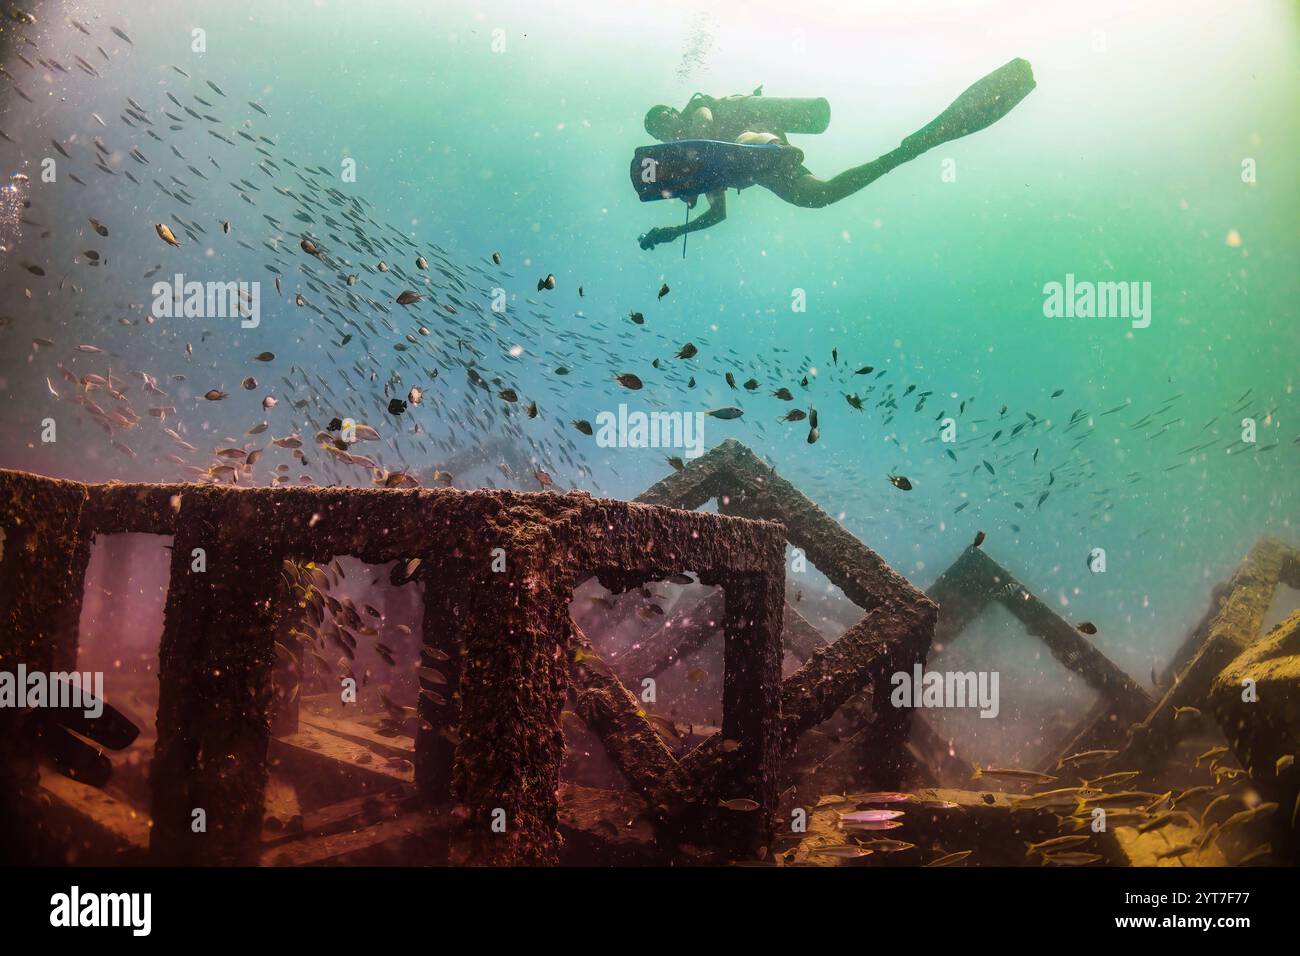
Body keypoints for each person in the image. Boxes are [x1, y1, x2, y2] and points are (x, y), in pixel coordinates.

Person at [637, 58, 1035, 251]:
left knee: (747, 142)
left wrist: (689, 164)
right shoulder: (691, 160)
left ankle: (770, 151)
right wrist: (676, 230)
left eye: (664, 121)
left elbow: (706, 125)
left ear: (673, 112)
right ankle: (902, 154)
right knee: (819, 197)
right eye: (658, 130)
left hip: (756, 145)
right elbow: (719, 213)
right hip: (751, 166)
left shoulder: (697, 112)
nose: (665, 128)